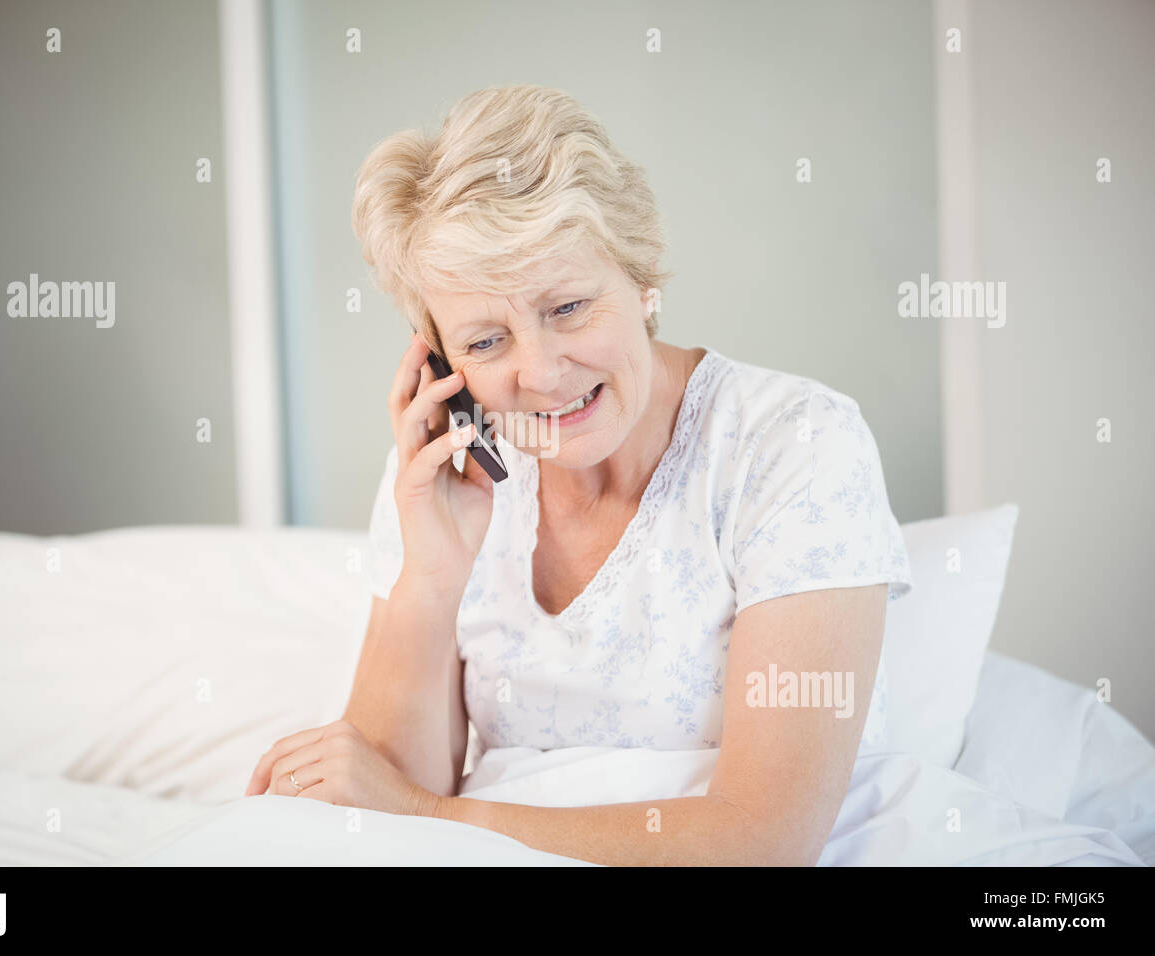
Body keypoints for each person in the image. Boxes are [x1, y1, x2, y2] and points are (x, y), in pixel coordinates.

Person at [245, 84, 912, 866]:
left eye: (567, 308)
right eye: (487, 342)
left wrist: (431, 814)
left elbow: (760, 842)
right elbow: (375, 811)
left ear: (639, 275)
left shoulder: (793, 442)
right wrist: (431, 576)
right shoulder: (448, 474)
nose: (542, 372)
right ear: (440, 361)